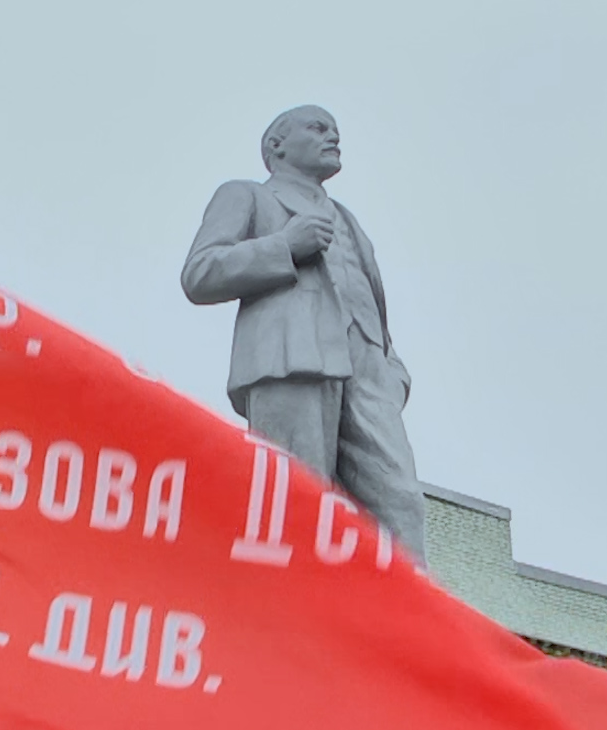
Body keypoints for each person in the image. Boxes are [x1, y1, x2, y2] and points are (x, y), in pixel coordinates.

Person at [181, 105, 427, 563]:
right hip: (292, 360)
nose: (333, 136)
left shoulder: (349, 220)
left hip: (369, 374)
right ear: (276, 145)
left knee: (402, 504)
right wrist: (284, 247)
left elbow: (368, 299)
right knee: (297, 504)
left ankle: (403, 628)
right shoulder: (248, 196)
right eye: (318, 128)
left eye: (336, 130)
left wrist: (394, 373)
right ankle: (292, 618)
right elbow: (199, 273)